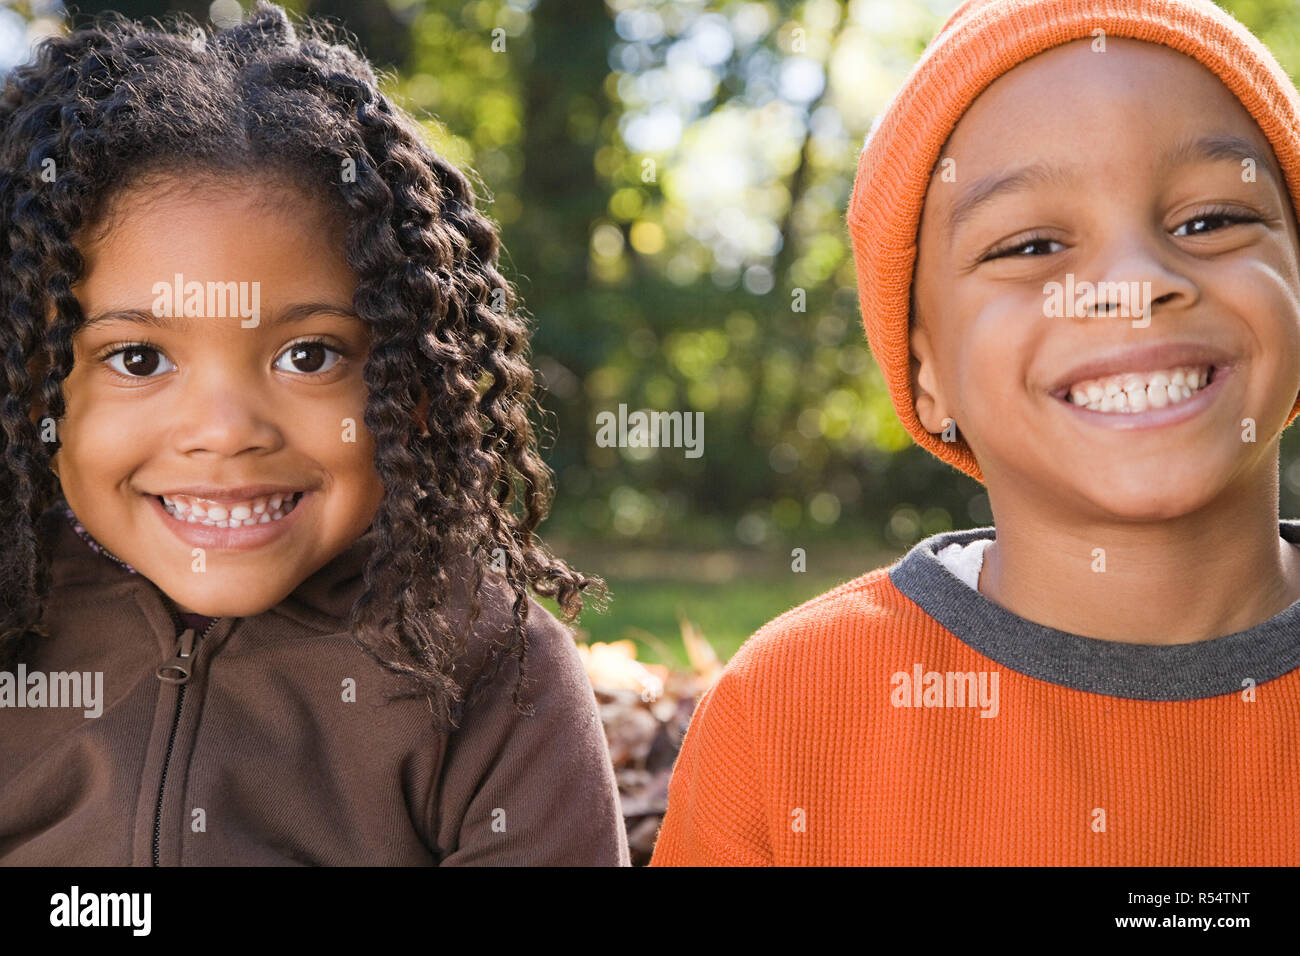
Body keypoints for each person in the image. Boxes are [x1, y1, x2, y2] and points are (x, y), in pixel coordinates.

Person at [651, 0, 1300, 865]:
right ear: (925, 372)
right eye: (1031, 245)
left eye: (1211, 221)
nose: (1134, 282)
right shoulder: (786, 713)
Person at [0, 1, 628, 866]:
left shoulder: (487, 669)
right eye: (138, 358)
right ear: (33, 384)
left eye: (308, 354)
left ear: (409, 386)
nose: (224, 432)